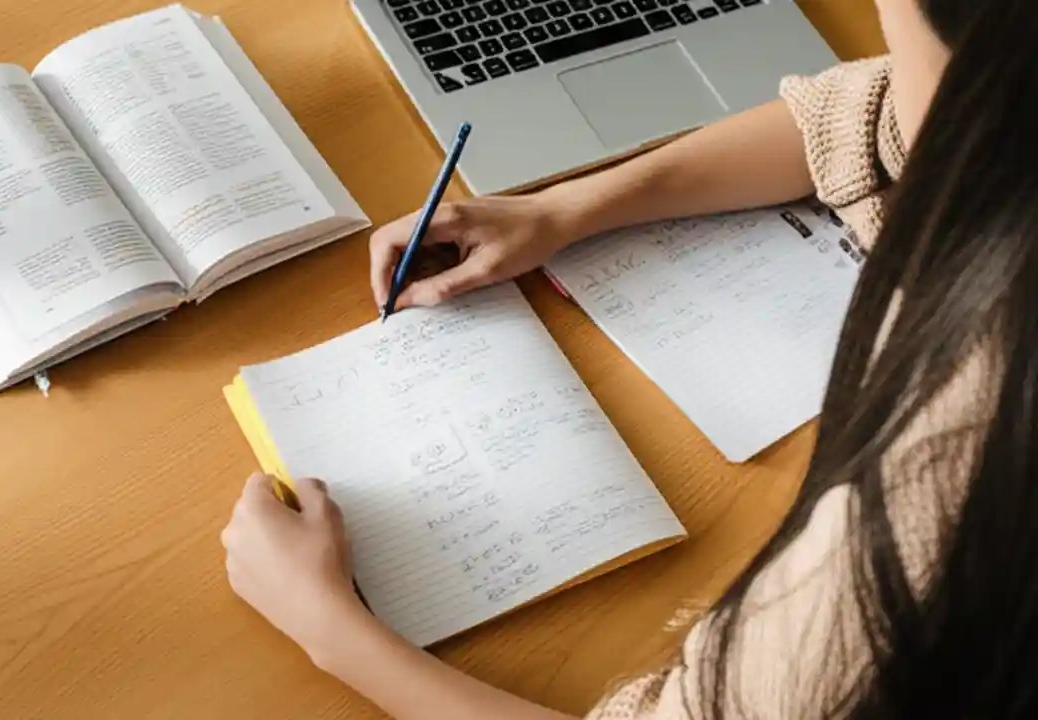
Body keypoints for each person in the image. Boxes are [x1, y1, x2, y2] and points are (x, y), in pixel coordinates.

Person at [221, 0, 1038, 716]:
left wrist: (330, 629)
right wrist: (564, 208)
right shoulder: (994, 110)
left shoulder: (955, 475)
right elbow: (865, 112)